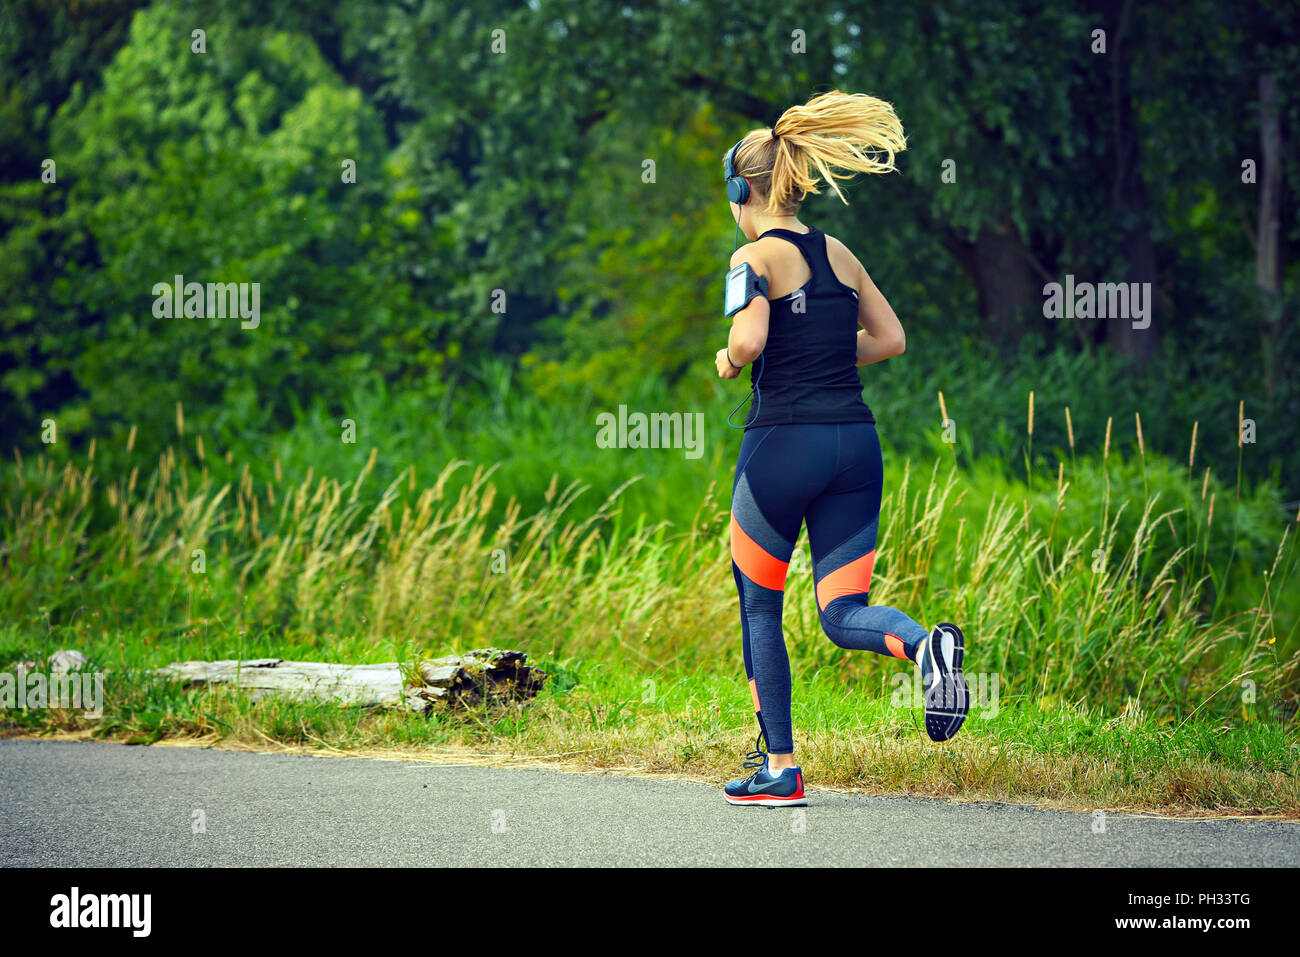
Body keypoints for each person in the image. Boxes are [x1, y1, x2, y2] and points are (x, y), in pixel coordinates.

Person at [715, 90, 969, 808]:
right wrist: (823, 352)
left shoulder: (751, 256)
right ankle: (925, 647)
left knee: (761, 607)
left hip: (781, 449)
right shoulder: (840, 252)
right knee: (841, 609)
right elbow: (891, 339)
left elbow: (751, 339)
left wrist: (732, 360)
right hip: (854, 446)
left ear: (744, 189)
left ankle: (783, 767)